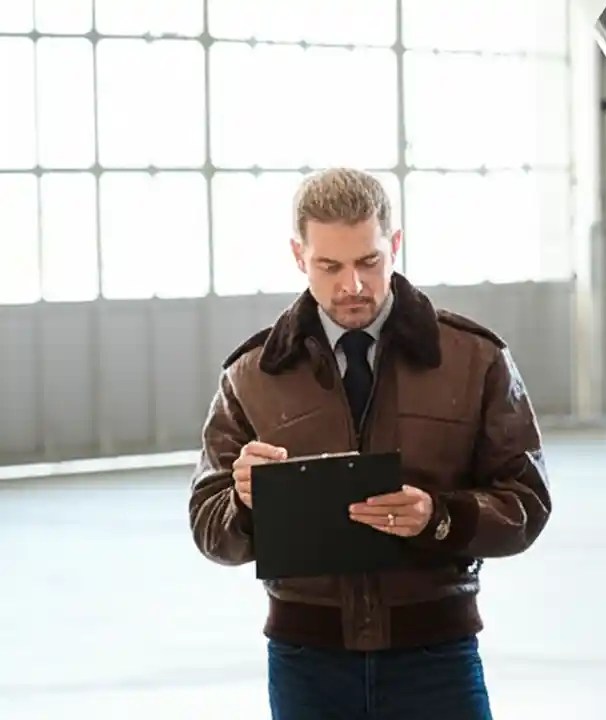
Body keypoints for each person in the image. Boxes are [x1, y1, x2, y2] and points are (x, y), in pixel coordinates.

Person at [188, 167, 551, 720]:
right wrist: (241, 500)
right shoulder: (251, 376)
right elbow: (208, 527)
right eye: (329, 266)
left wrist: (440, 517)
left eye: (369, 262)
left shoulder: (476, 360)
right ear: (297, 255)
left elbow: (527, 502)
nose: (352, 285)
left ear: (396, 244)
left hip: (437, 655)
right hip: (307, 662)